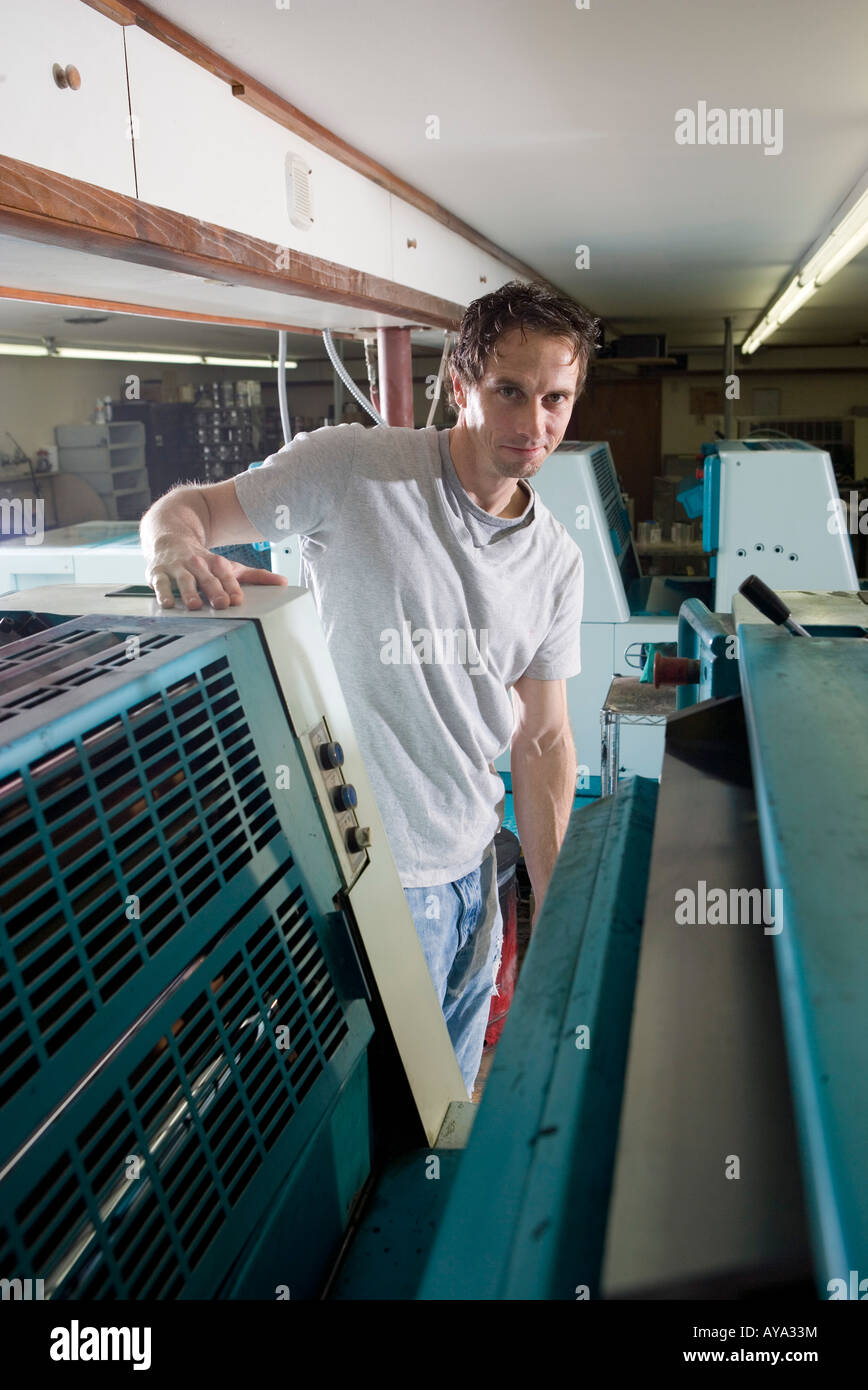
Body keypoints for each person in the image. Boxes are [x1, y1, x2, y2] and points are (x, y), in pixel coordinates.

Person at [140, 280, 598, 1097]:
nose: (534, 425)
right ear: (461, 384)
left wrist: (555, 903)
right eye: (510, 392)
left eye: (556, 398)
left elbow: (544, 740)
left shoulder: (557, 561)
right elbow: (186, 510)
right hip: (369, 881)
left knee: (446, 1111)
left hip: (475, 876)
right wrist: (174, 552)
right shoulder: (353, 468)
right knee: (367, 1128)